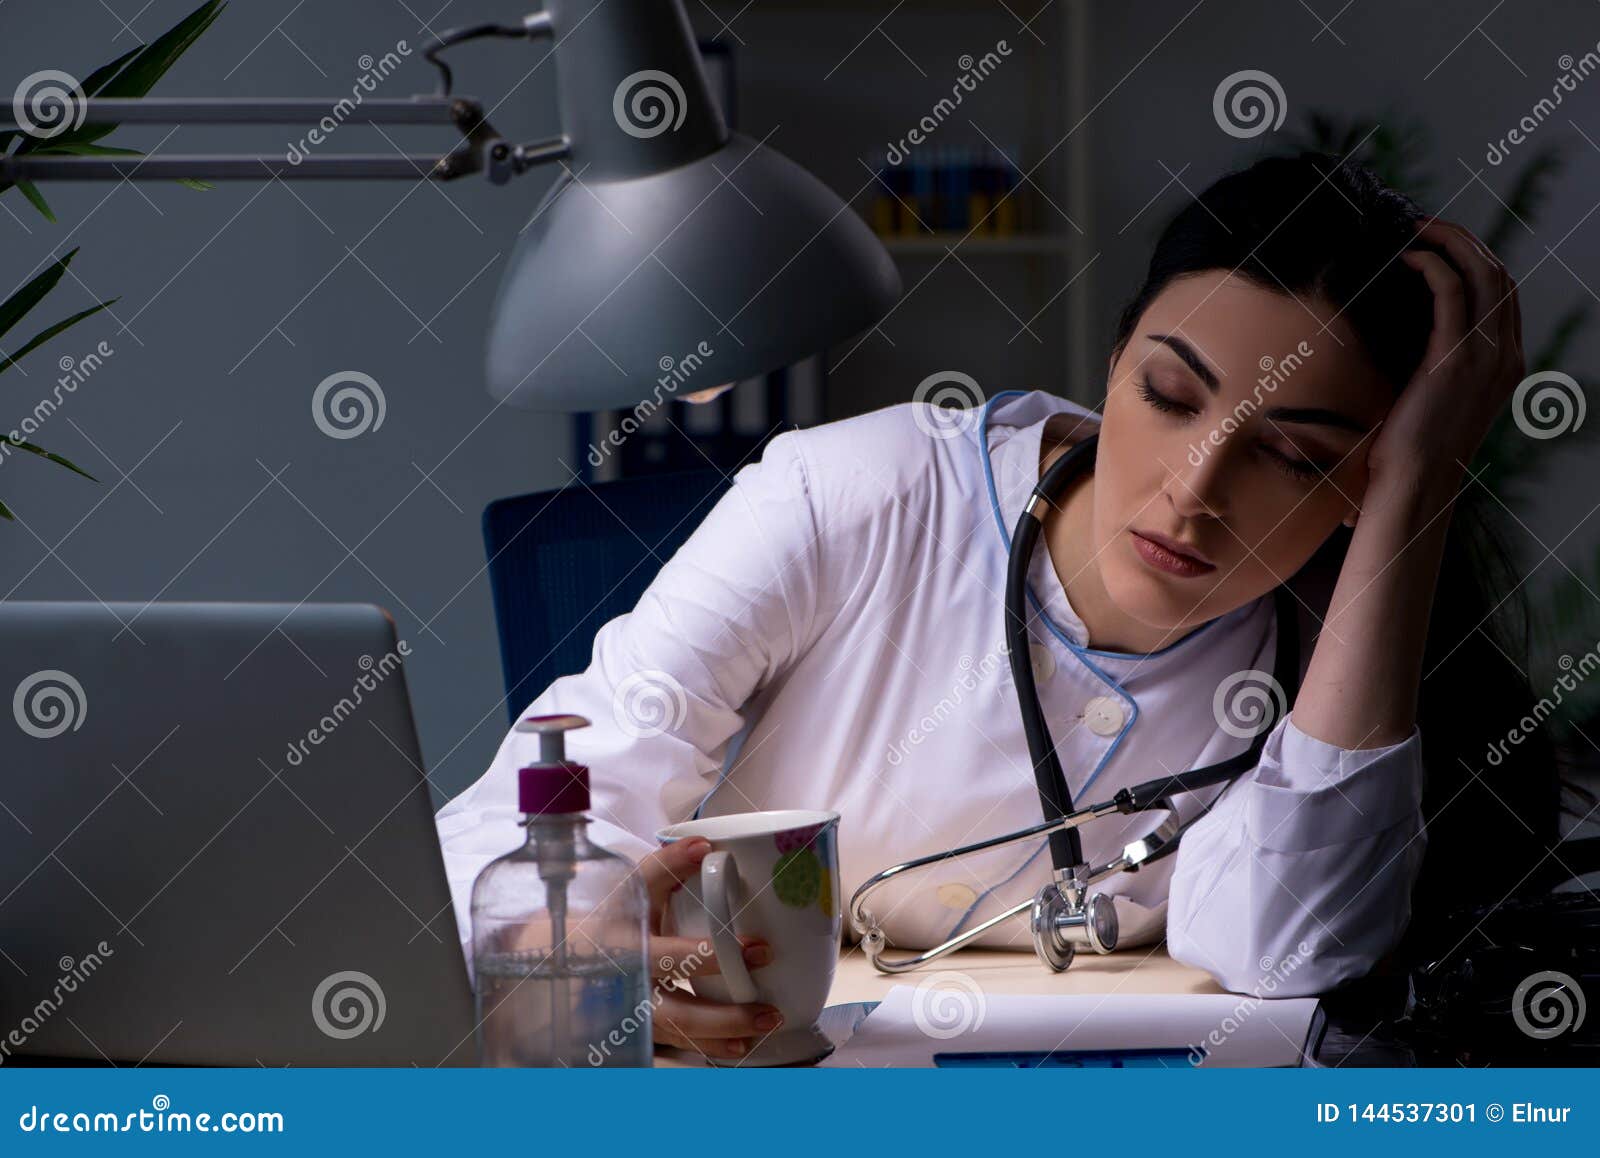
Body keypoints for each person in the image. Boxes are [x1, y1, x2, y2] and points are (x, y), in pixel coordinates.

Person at [436, 151, 1557, 1062]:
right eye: (1168, 397)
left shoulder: (1315, 655)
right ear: (1113, 364)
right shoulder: (855, 496)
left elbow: (1290, 947)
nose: (1194, 490)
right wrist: (587, 944)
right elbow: (511, 820)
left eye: (1297, 458)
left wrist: (1417, 499)